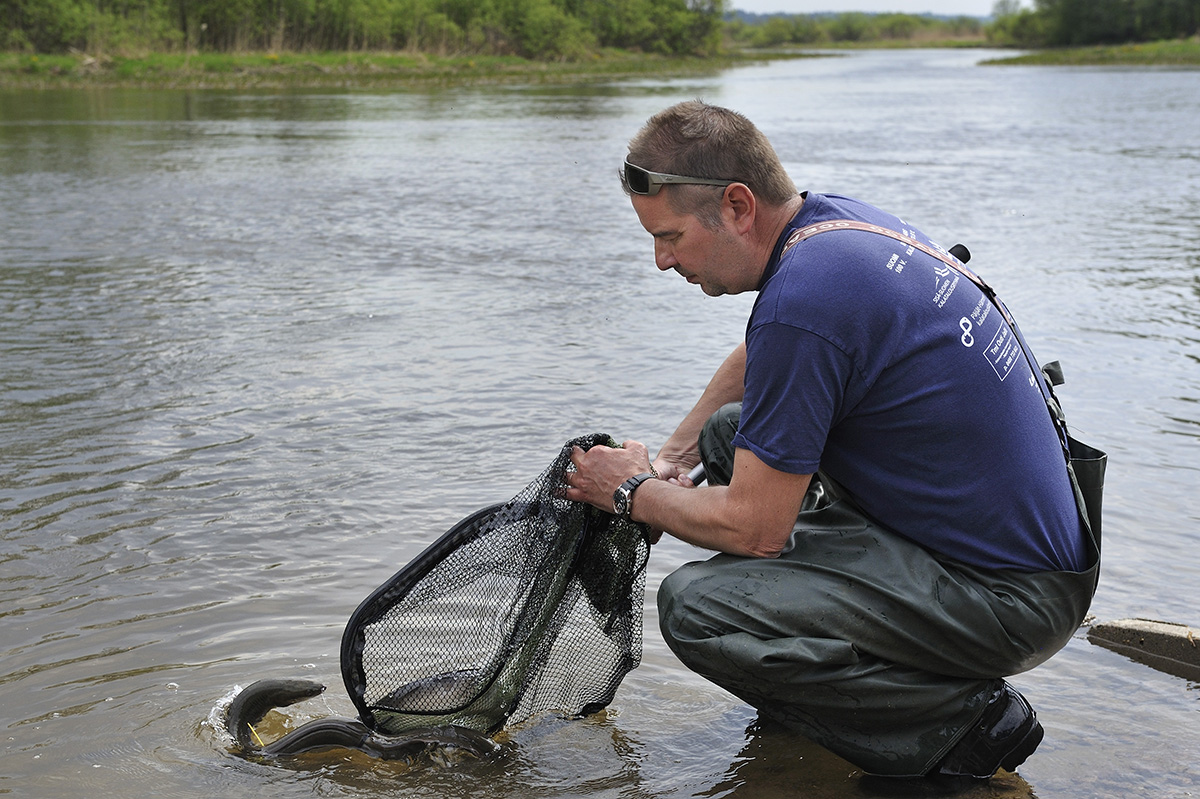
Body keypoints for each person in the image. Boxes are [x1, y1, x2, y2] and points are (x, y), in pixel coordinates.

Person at [562, 100, 1099, 788]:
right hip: (1027, 546)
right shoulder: (830, 229)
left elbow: (756, 530)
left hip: (1009, 596)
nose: (661, 260)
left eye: (669, 236)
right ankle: (815, 691)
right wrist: (673, 460)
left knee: (696, 608)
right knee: (732, 435)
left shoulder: (806, 298)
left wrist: (632, 491)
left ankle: (958, 724)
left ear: (736, 205)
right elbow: (765, 352)